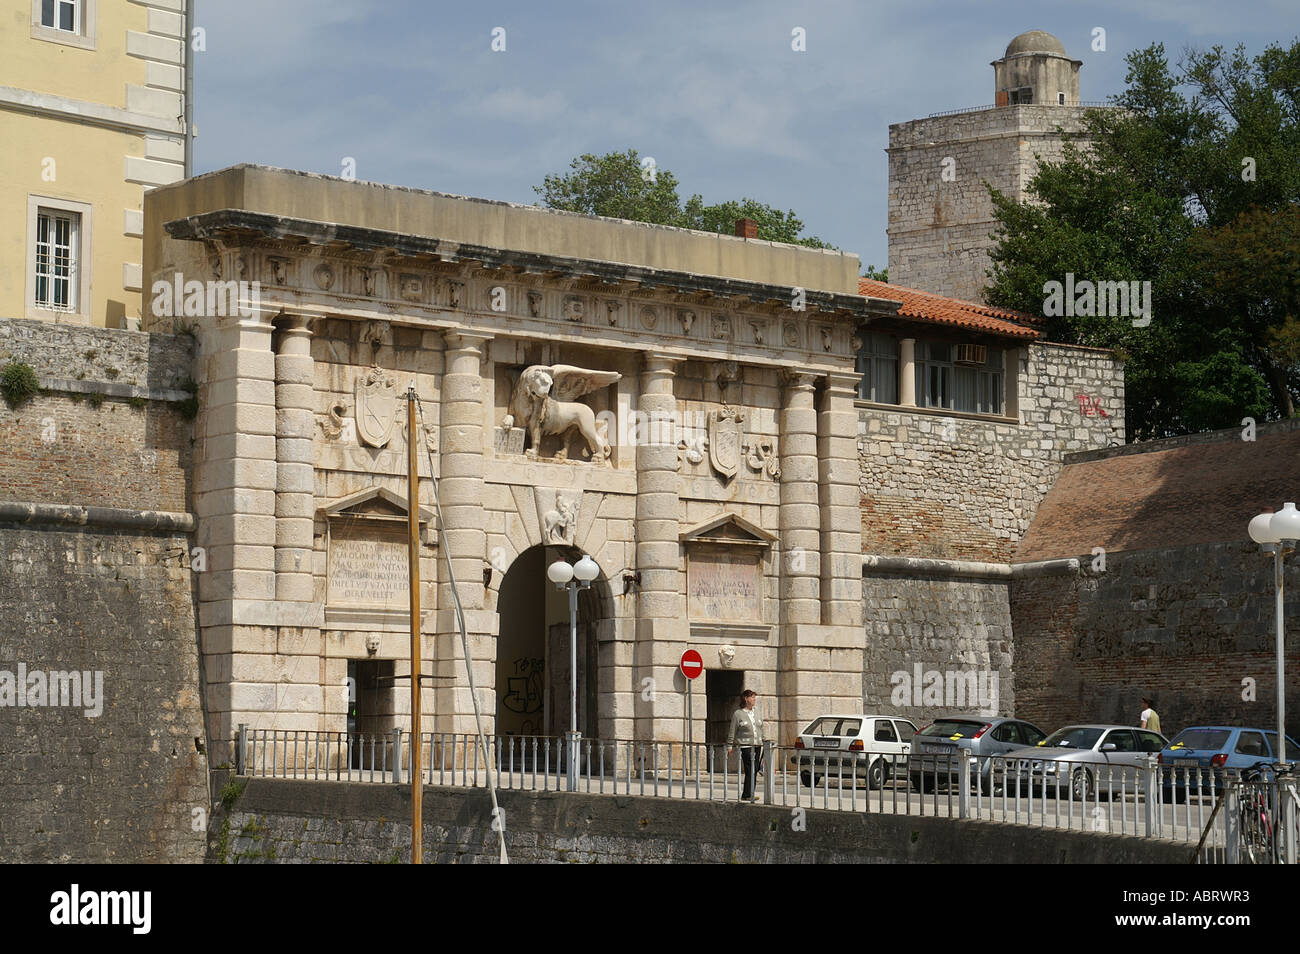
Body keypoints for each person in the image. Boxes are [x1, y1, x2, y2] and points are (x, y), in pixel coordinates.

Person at [727, 689, 764, 802]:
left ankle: (749, 793)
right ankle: (747, 794)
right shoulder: (738, 714)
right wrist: (730, 744)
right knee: (750, 769)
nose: (754, 700)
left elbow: (761, 728)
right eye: (752, 697)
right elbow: (732, 730)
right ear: (746, 699)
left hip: (757, 745)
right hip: (746, 746)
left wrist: (764, 741)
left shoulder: (756, 712)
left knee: (755, 769)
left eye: (754, 698)